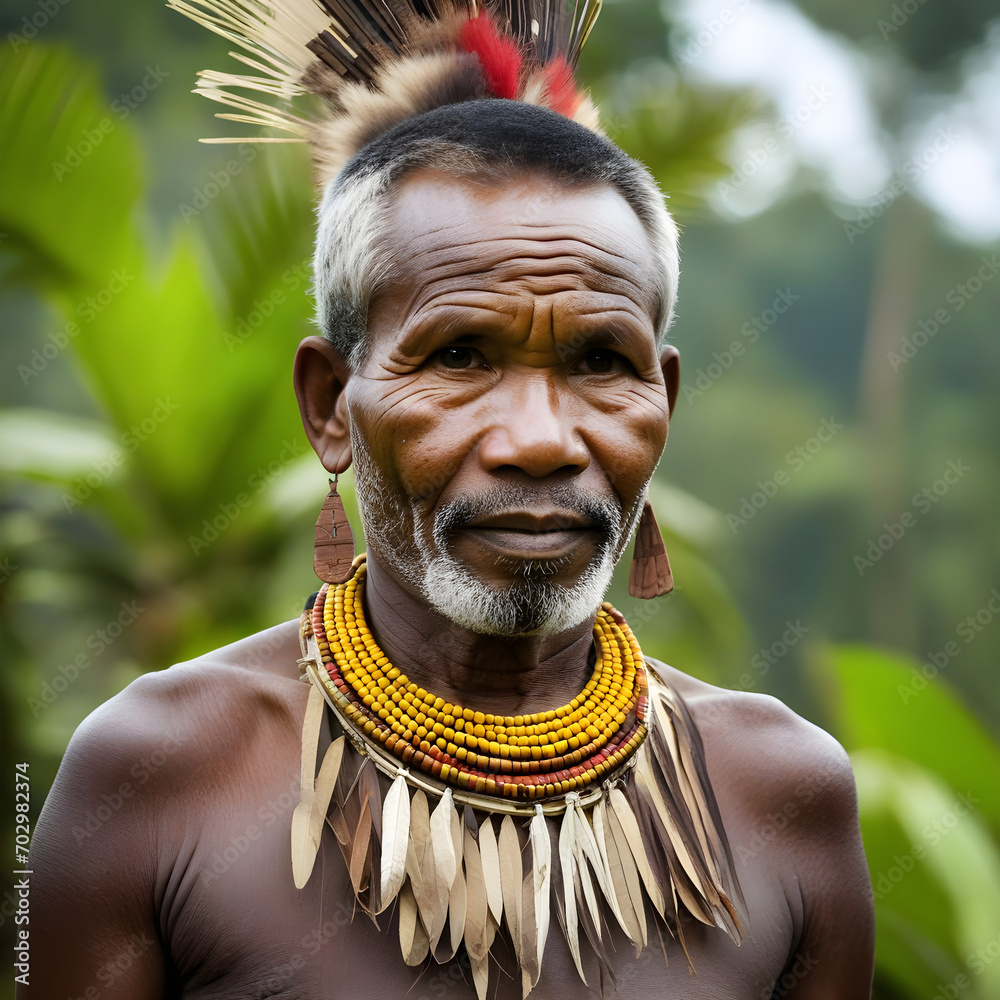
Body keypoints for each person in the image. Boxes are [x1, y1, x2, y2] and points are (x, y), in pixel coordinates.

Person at [22, 3, 875, 998]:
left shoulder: (786, 795)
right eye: (461, 355)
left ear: (664, 402)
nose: (542, 440)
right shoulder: (155, 775)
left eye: (602, 362)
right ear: (330, 404)